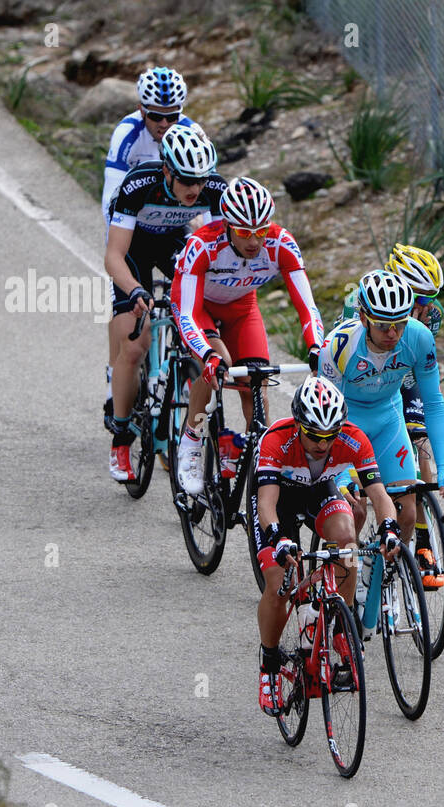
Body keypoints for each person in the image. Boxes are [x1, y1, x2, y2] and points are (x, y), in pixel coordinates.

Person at [171, 176, 326, 496]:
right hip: (200, 308)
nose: (254, 241)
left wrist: (315, 348)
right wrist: (208, 355)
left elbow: (307, 307)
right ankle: (191, 440)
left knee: (256, 383)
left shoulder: (281, 243)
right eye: (244, 232)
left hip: (242, 308)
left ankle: (259, 461)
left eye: (261, 231)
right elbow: (187, 314)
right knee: (218, 363)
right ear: (227, 225)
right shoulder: (203, 244)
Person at [254, 377, 400, 716]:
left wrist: (389, 528)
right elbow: (266, 503)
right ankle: (270, 664)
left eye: (329, 436)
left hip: (320, 491)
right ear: (298, 423)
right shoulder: (277, 439)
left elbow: (379, 495)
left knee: (347, 542)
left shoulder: (352, 438)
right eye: (315, 435)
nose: (323, 444)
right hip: (279, 501)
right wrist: (279, 538)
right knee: (281, 583)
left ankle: (338, 623)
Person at [104, 124, 224, 483]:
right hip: (134, 249)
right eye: (186, 180)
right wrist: (135, 291)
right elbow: (114, 256)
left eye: (200, 180)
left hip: (175, 242)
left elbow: (217, 252)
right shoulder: (140, 184)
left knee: (200, 318)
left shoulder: (214, 188)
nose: (195, 189)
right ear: (167, 170)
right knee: (134, 343)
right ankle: (122, 436)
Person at [318, 270, 444, 549]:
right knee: (353, 510)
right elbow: (326, 417)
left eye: (400, 324)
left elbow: (433, 402)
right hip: (345, 425)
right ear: (363, 318)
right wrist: (344, 477)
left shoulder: (419, 338)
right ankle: (348, 572)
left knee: (406, 512)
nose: (393, 333)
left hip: (387, 420)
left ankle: (386, 578)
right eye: (383, 325)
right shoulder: (338, 346)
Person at [100, 67, 205, 424]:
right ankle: (119, 372)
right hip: (134, 229)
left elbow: (205, 201)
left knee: (197, 290)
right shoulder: (127, 135)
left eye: (171, 116)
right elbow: (111, 198)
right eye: (155, 116)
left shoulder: (192, 134)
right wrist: (122, 230)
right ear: (142, 109)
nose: (163, 124)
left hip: (173, 228)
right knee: (133, 322)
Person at [383, 244, 444, 587]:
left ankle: (423, 543)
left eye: (431, 298)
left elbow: (420, 368)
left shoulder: (431, 315)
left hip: (404, 377)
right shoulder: (362, 304)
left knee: (420, 441)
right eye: (419, 298)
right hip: (368, 380)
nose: (427, 308)